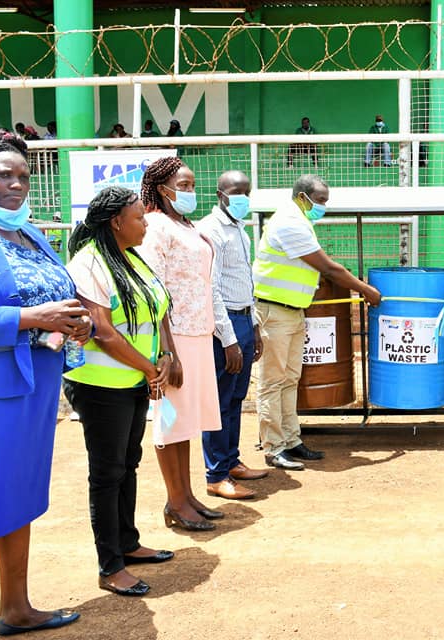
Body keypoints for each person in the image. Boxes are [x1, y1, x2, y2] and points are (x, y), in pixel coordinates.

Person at [0, 128, 86, 638]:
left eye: (23, 175)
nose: (16, 184)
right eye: (3, 175)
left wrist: (72, 320)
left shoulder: (29, 233)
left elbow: (58, 295)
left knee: (18, 499)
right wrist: (30, 317)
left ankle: (15, 608)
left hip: (33, 391)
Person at [63, 186, 176, 598]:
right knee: (107, 473)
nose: (146, 224)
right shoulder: (89, 262)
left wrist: (163, 356)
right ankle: (109, 566)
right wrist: (150, 368)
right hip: (100, 385)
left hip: (134, 380)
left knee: (129, 462)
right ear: (116, 222)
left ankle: (128, 543)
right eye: (139, 218)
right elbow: (104, 333)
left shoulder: (131, 259)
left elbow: (157, 311)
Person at [253, 174, 381, 469]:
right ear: (302, 197)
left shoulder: (300, 220)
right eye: (320, 200)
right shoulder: (289, 221)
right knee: (273, 382)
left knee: (290, 379)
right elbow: (328, 268)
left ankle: (291, 440)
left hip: (294, 311)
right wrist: (366, 290)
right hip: (275, 312)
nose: (323, 206)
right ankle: (274, 447)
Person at [139, 156, 222, 530]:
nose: (190, 191)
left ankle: (187, 495)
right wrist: (165, 349)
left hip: (198, 332)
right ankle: (175, 502)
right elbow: (152, 288)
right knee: (170, 421)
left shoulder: (185, 225)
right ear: (162, 189)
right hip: (174, 337)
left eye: (192, 185)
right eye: (183, 186)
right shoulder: (156, 226)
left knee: (187, 422)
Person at [197, 170, 269, 500]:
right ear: (220, 194)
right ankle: (216, 474)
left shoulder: (240, 228)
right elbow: (210, 288)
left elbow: (245, 281)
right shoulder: (210, 230)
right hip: (223, 324)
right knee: (220, 400)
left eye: (247, 192)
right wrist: (228, 338)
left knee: (237, 398)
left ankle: (231, 460)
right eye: (237, 192)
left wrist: (254, 324)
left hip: (244, 319)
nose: (243, 198)